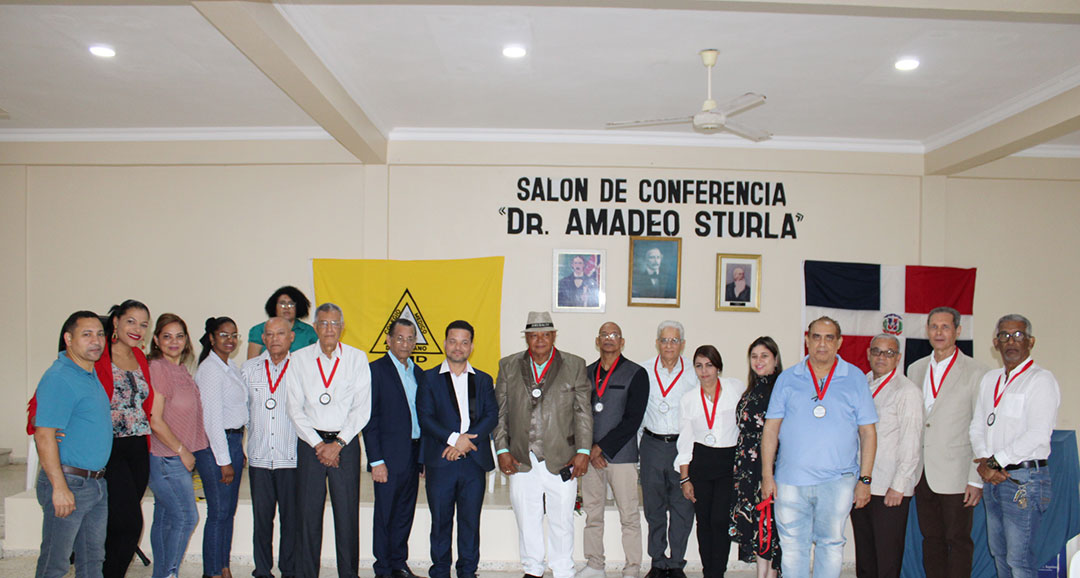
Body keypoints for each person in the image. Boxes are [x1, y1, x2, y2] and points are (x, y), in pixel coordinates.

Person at [761, 316, 878, 578]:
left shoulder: (855, 378)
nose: (822, 343)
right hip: (790, 481)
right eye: (816, 337)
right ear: (807, 340)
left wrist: (865, 479)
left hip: (837, 481)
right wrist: (767, 476)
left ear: (839, 342)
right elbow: (770, 430)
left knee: (831, 545)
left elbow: (868, 432)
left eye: (828, 337)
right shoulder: (788, 378)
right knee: (792, 548)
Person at [494, 311, 592, 578]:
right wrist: (502, 450)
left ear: (554, 336)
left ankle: (563, 570)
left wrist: (583, 451)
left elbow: (583, 412)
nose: (539, 340)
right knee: (527, 518)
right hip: (521, 458)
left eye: (545, 334)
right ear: (526, 337)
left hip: (563, 457)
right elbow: (500, 413)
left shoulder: (574, 365)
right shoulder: (508, 365)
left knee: (562, 520)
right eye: (534, 335)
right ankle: (533, 569)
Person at [970, 314, 1060, 578]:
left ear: (1031, 342)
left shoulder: (1040, 380)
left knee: (1019, 559)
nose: (1011, 341)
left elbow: (1038, 434)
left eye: (1018, 335)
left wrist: (995, 462)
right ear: (995, 343)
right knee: (999, 554)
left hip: (1025, 480)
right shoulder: (990, 380)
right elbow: (977, 425)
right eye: (1004, 336)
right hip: (993, 479)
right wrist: (986, 462)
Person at [286, 303, 372, 578]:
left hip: (344, 446)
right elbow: (294, 408)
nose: (329, 329)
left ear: (342, 327)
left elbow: (362, 408)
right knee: (308, 516)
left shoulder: (357, 359)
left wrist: (338, 443)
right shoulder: (298, 359)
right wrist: (318, 444)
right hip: (311, 445)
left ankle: (349, 574)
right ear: (315, 327)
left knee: (347, 517)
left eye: (335, 324)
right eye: (323, 323)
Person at [906, 306, 988, 578]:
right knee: (931, 540)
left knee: (958, 540)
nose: (939, 332)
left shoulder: (977, 372)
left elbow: (980, 428)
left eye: (945, 327)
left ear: (958, 331)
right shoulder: (916, 368)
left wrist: (975, 478)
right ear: (927, 331)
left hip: (956, 473)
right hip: (923, 472)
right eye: (934, 327)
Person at [31, 311, 112, 578]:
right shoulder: (60, 377)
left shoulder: (88, 374)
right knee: (55, 564)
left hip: (95, 483)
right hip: (69, 483)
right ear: (68, 338)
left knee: (92, 561)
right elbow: (44, 435)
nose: (96, 341)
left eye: (100, 334)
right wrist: (59, 488)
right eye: (87, 334)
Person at [416, 320, 498, 578]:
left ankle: (467, 571)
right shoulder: (429, 378)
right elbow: (425, 417)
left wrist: (465, 443)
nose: (458, 347)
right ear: (444, 343)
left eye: (464, 342)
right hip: (441, 460)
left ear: (472, 346)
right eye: (453, 341)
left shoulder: (483, 379)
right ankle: (440, 571)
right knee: (440, 522)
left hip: (473, 460)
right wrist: (454, 439)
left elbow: (491, 416)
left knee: (470, 522)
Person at [579, 322, 648, 578]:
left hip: (621, 456)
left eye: (614, 335)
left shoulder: (636, 373)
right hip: (590, 458)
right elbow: (579, 415)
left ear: (622, 341)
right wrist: (588, 450)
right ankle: (595, 564)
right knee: (593, 514)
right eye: (604, 335)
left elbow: (633, 420)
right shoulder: (585, 373)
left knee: (629, 515)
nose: (609, 339)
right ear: (597, 341)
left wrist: (602, 449)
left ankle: (632, 568)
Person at [146, 313, 213, 578]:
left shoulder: (180, 369)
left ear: (186, 340)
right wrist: (182, 451)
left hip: (175, 458)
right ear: (156, 340)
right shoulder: (158, 368)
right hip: (166, 458)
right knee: (187, 518)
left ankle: (162, 574)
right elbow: (155, 419)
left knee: (164, 517)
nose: (174, 342)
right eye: (167, 336)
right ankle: (169, 573)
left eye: (179, 336)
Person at [851, 334, 923, 578]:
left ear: (898, 358)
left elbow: (912, 441)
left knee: (887, 559)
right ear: (869, 354)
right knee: (866, 556)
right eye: (877, 352)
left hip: (889, 488)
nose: (882, 357)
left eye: (889, 353)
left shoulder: (907, 391)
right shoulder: (862, 383)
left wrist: (899, 485)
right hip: (861, 483)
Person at [363, 319, 425, 578]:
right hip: (387, 457)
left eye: (410, 338)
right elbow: (370, 418)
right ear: (388, 340)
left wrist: (422, 459)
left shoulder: (419, 373)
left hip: (413, 454)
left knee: (404, 513)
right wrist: (376, 460)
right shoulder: (375, 370)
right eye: (400, 338)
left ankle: (399, 564)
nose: (405, 343)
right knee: (386, 514)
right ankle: (383, 568)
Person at [99, 300, 156, 578]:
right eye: (131, 321)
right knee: (130, 524)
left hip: (138, 446)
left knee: (118, 523)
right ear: (116, 322)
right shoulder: (99, 355)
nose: (137, 328)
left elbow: (144, 404)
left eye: (144, 324)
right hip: (110, 447)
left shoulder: (140, 358)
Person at [676, 345, 743, 578]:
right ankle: (708, 573)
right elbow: (684, 442)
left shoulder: (735, 389)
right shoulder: (688, 399)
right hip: (701, 462)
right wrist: (685, 478)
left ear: (718, 367)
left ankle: (718, 572)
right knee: (703, 522)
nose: (704, 371)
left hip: (728, 462)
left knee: (721, 520)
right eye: (699, 365)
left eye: (709, 365)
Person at [639, 321, 698, 578]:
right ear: (657, 342)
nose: (669, 345)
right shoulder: (644, 370)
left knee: (682, 508)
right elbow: (637, 411)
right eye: (664, 340)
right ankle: (657, 560)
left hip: (682, 448)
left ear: (682, 344)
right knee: (654, 508)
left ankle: (676, 564)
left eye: (674, 341)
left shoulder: (694, 373)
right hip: (652, 445)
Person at [241, 317, 299, 578]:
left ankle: (289, 569)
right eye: (269, 334)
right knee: (262, 520)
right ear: (262, 339)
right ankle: (262, 570)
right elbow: (241, 411)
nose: (275, 338)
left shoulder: (300, 368)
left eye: (281, 333)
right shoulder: (248, 369)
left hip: (291, 457)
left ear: (291, 337)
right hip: (259, 457)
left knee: (291, 521)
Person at [194, 316, 248, 578]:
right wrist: (224, 460)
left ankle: (223, 566)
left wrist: (239, 450)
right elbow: (212, 420)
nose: (230, 339)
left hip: (234, 442)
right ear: (212, 338)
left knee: (228, 512)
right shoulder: (210, 370)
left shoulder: (230, 366)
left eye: (234, 335)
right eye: (224, 335)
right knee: (218, 512)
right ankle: (213, 572)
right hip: (218, 447)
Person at [729, 337, 784, 578]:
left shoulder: (780, 389)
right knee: (756, 524)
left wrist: (768, 473)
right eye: (754, 356)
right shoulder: (751, 390)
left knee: (768, 524)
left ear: (775, 359)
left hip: (767, 466)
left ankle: (769, 574)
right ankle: (762, 574)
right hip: (746, 467)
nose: (758, 361)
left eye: (764, 356)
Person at [247, 286, 319, 359]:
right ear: (274, 306)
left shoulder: (309, 331)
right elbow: (252, 364)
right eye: (282, 303)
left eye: (291, 304)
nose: (286, 307)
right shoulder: (259, 330)